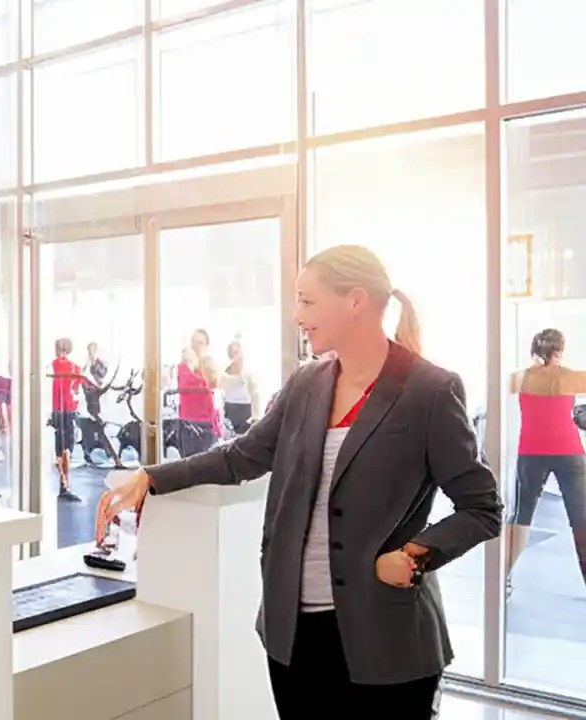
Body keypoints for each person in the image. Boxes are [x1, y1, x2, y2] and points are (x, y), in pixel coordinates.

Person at [106, 245, 501, 719]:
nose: (297, 316)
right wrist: (152, 476)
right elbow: (243, 456)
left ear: (355, 301)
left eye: (308, 301)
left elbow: (482, 507)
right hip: (293, 634)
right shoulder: (306, 383)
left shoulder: (430, 390)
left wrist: (415, 555)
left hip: (386, 638)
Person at [506, 329, 586, 594]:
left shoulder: (520, 379)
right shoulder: (573, 377)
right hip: (569, 452)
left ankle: (502, 576)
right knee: (581, 519)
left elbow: (500, 387)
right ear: (559, 352)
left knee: (522, 516)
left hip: (532, 452)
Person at [50, 338, 83, 502]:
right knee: (67, 448)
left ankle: (63, 483)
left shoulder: (52, 366)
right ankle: (64, 485)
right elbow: (76, 392)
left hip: (56, 411)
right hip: (68, 411)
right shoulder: (75, 367)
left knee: (59, 448)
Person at [221, 339, 260, 435]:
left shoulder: (250, 376)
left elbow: (255, 395)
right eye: (232, 353)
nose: (235, 356)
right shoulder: (225, 374)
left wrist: (255, 418)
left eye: (237, 352)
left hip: (245, 413)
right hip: (229, 412)